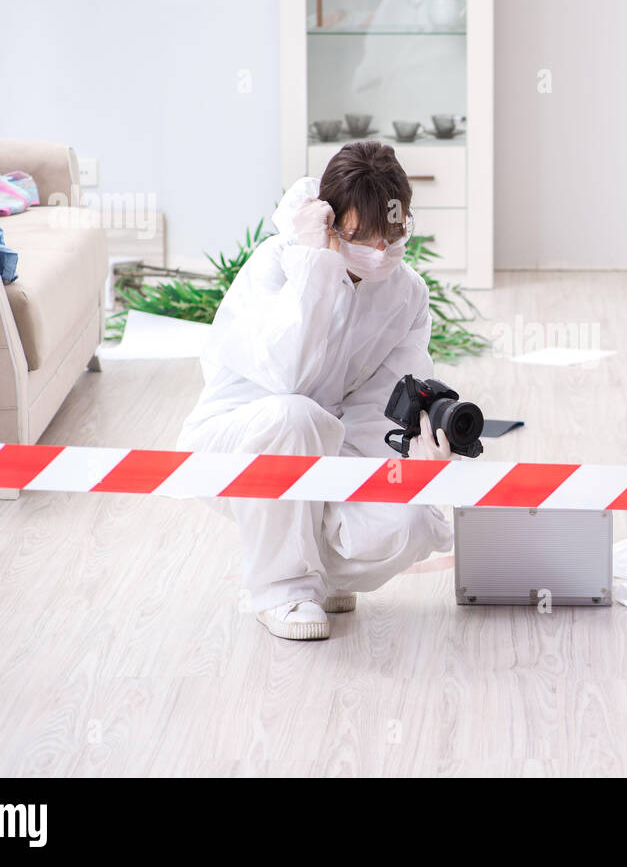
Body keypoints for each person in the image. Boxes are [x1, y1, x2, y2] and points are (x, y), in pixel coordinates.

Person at [178, 141, 457, 641]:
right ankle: (280, 590)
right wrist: (317, 267)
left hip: (331, 449)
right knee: (295, 416)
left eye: (391, 236)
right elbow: (288, 375)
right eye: (361, 237)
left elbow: (380, 411)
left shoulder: (407, 293)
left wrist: (412, 467)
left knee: (411, 520)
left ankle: (317, 578)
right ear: (329, 223)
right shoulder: (278, 263)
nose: (378, 252)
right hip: (242, 443)